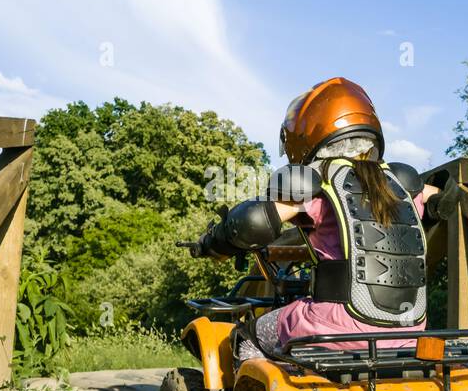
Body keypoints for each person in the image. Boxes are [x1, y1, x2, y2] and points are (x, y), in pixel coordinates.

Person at [189, 77, 445, 361]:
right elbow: (442, 196)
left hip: (335, 325)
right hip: (408, 333)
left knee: (244, 338)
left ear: (308, 132)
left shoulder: (318, 182)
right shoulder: (402, 183)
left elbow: (254, 221)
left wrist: (212, 243)